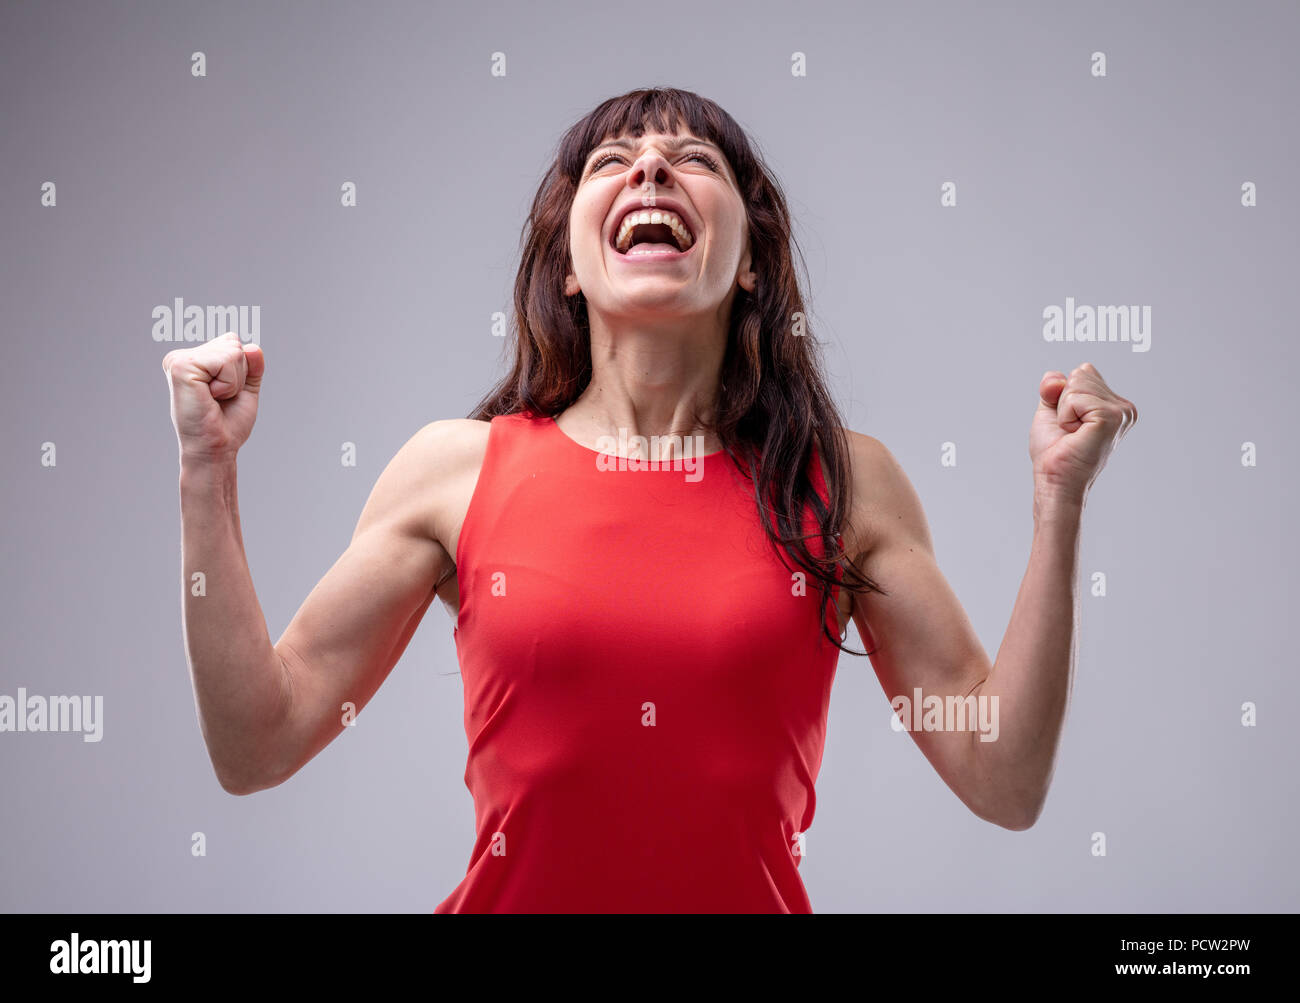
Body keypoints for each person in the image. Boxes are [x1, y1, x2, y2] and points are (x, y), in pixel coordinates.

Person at [161, 87, 1137, 913]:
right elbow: (259, 739)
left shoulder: (840, 480)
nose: (650, 172)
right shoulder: (452, 471)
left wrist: (1059, 501)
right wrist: (208, 472)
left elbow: (1001, 779)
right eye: (613, 162)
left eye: (690, 158)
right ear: (570, 264)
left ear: (750, 260)